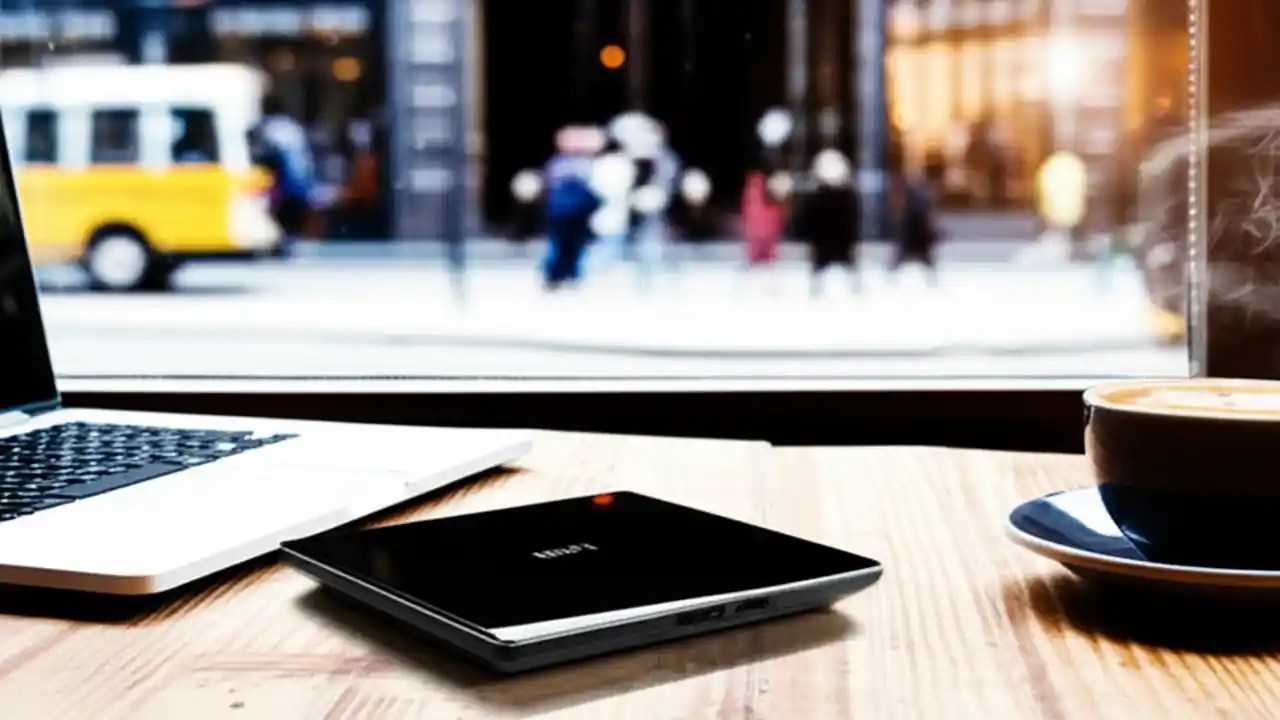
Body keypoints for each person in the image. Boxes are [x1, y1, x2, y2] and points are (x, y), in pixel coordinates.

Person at [250, 94, 317, 255]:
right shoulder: (292, 126)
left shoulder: (270, 128)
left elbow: (268, 156)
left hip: (284, 181)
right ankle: (290, 241)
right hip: (302, 180)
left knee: (278, 213)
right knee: (292, 215)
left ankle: (282, 242)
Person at [542, 126, 603, 291]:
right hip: (563, 213)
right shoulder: (560, 164)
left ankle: (569, 275)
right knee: (560, 246)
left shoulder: (582, 163)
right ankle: (556, 277)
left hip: (576, 214)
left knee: (573, 247)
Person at [796, 149, 859, 296]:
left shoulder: (823, 196)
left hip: (830, 244)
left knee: (826, 267)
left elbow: (808, 221)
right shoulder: (847, 197)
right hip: (832, 244)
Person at [888, 166, 942, 285]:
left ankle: (891, 275)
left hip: (914, 234)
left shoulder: (916, 203)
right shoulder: (919, 202)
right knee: (922, 257)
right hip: (915, 235)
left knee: (910, 255)